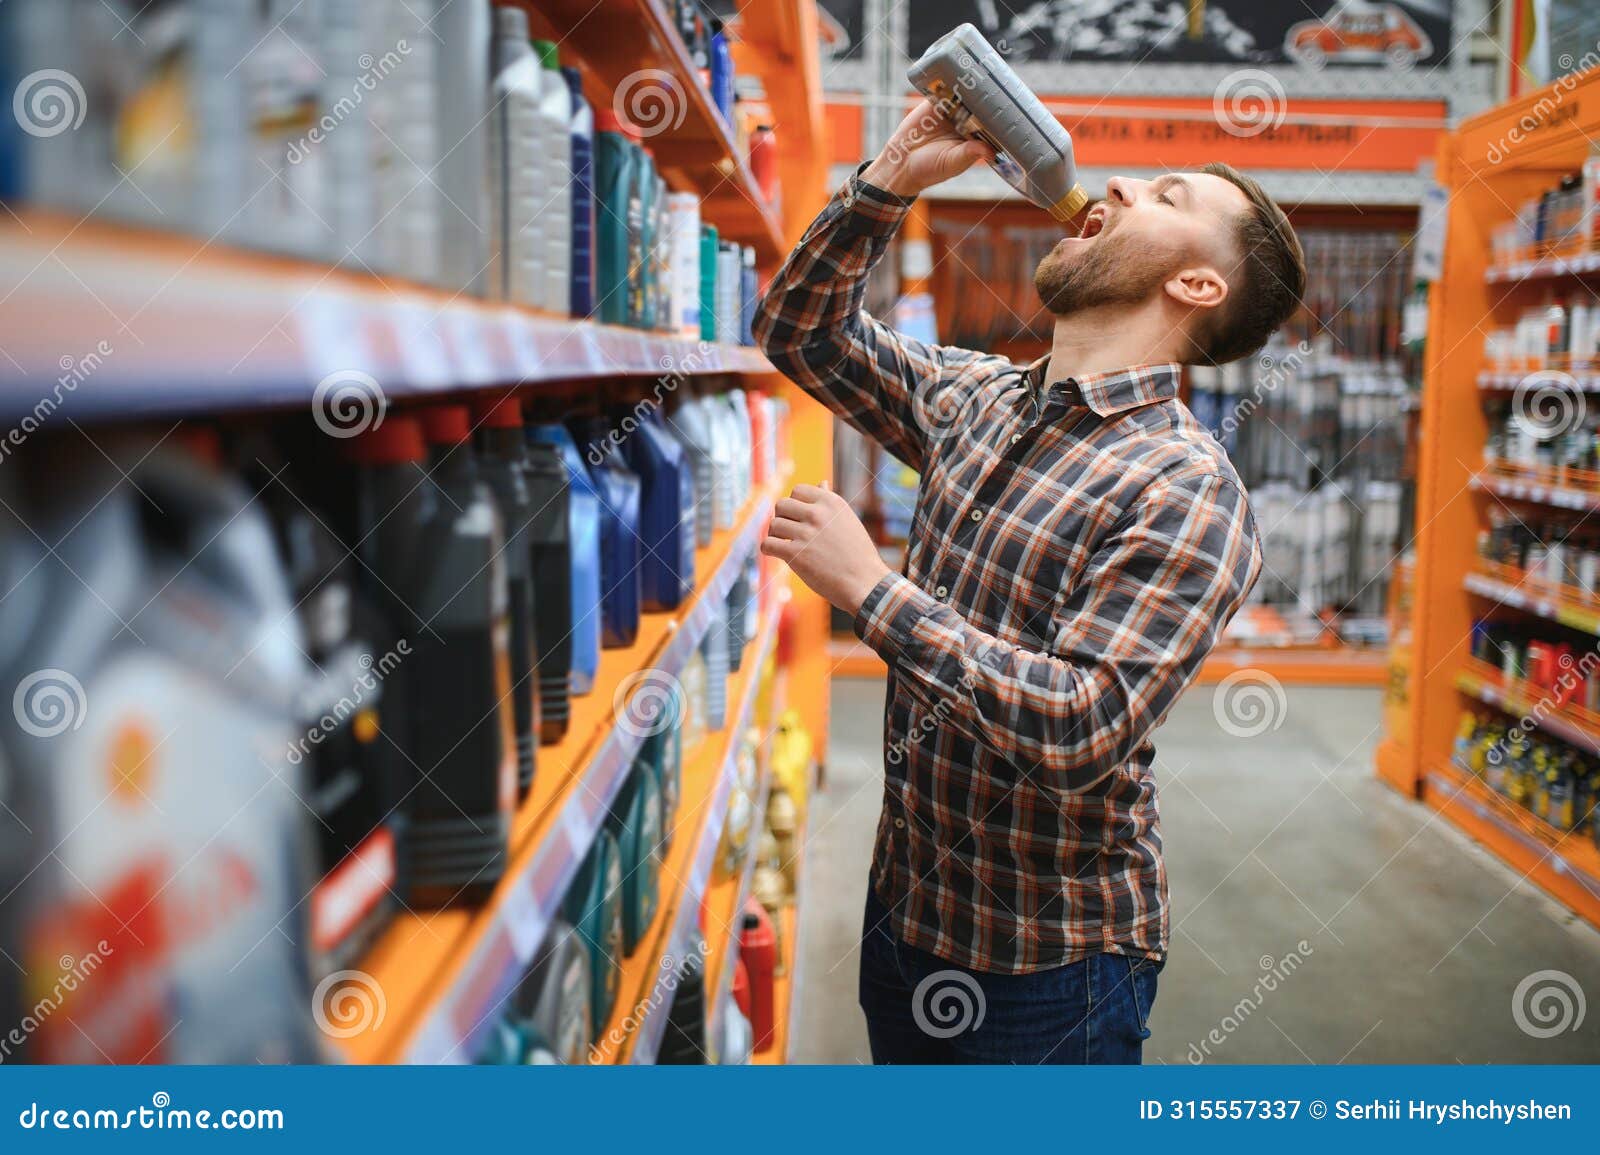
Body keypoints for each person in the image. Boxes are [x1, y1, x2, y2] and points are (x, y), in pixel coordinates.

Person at [754, 98, 1305, 1064]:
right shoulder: (978, 396)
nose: (1119, 183)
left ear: (1196, 283)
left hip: (1049, 970)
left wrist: (874, 594)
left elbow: (1081, 725)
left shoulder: (1185, 489)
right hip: (909, 913)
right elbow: (801, 333)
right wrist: (889, 180)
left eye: (1166, 196)